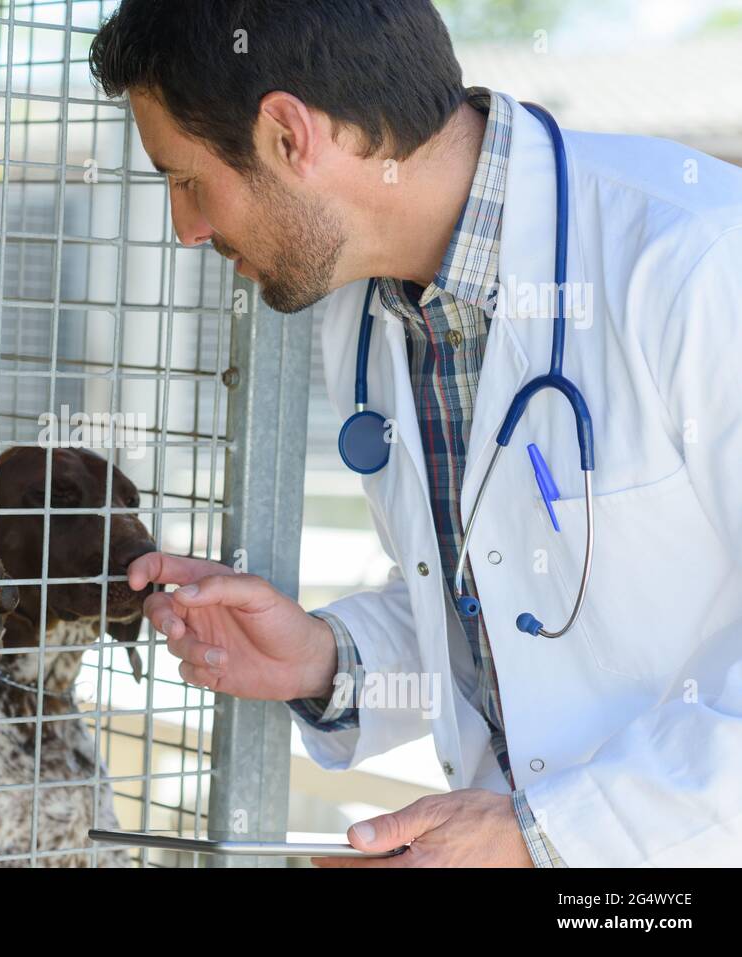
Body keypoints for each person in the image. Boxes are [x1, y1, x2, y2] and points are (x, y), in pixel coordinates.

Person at [90, 0, 742, 866]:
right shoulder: (363, 314)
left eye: (186, 180)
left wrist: (538, 835)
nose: (188, 228)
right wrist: (326, 660)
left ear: (289, 133)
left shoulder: (697, 259)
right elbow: (503, 599)